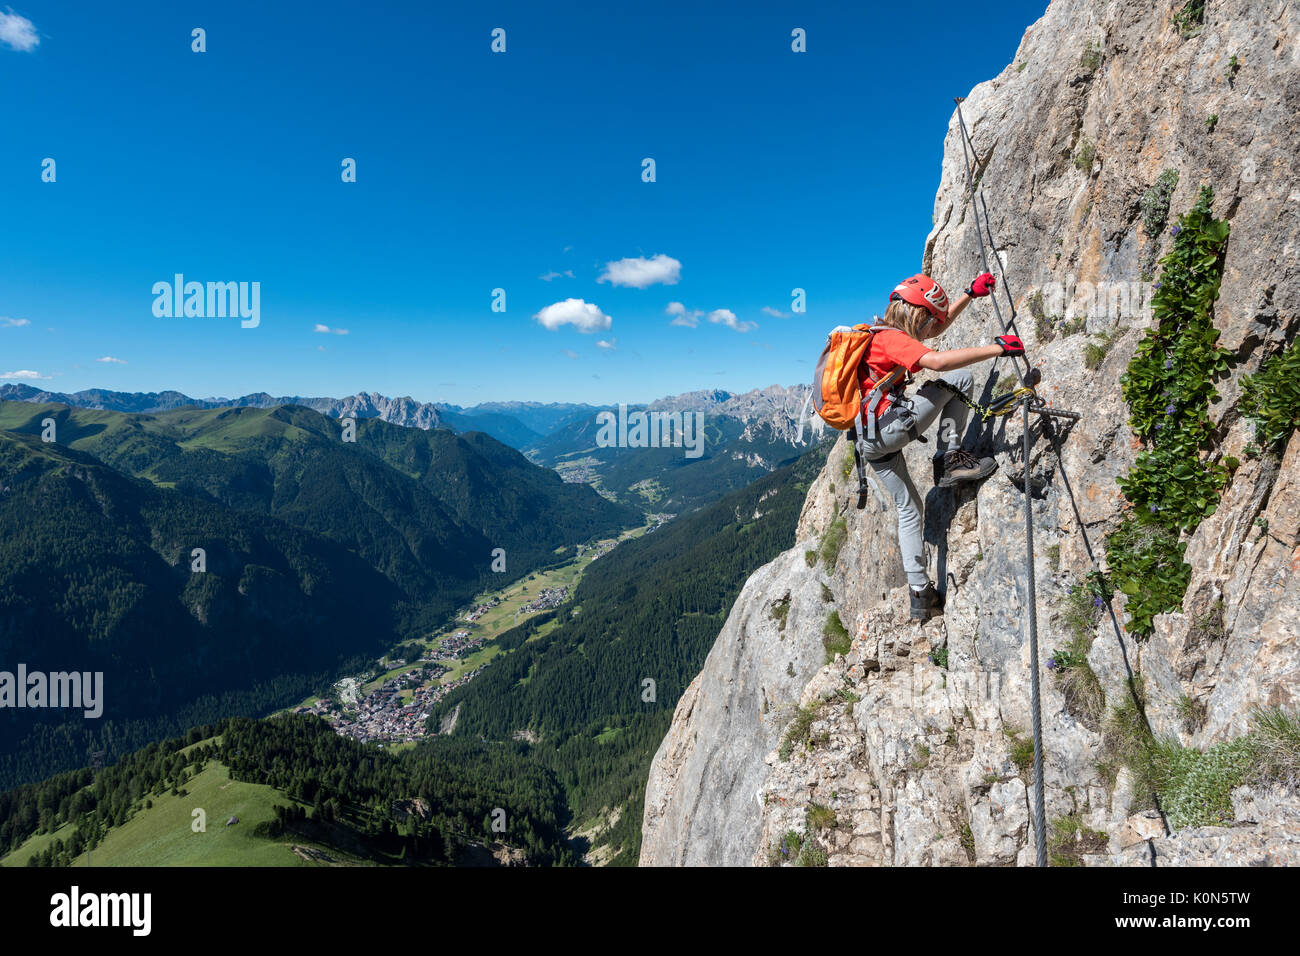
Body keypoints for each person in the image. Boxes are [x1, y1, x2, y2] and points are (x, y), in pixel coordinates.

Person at [858, 272, 1024, 619]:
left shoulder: (881, 335)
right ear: (919, 314)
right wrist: (998, 347)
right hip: (890, 430)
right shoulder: (892, 339)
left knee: (908, 509)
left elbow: (938, 327)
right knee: (959, 378)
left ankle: (920, 594)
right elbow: (936, 361)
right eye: (930, 318)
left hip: (869, 442)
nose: (935, 326)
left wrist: (969, 294)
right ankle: (949, 456)